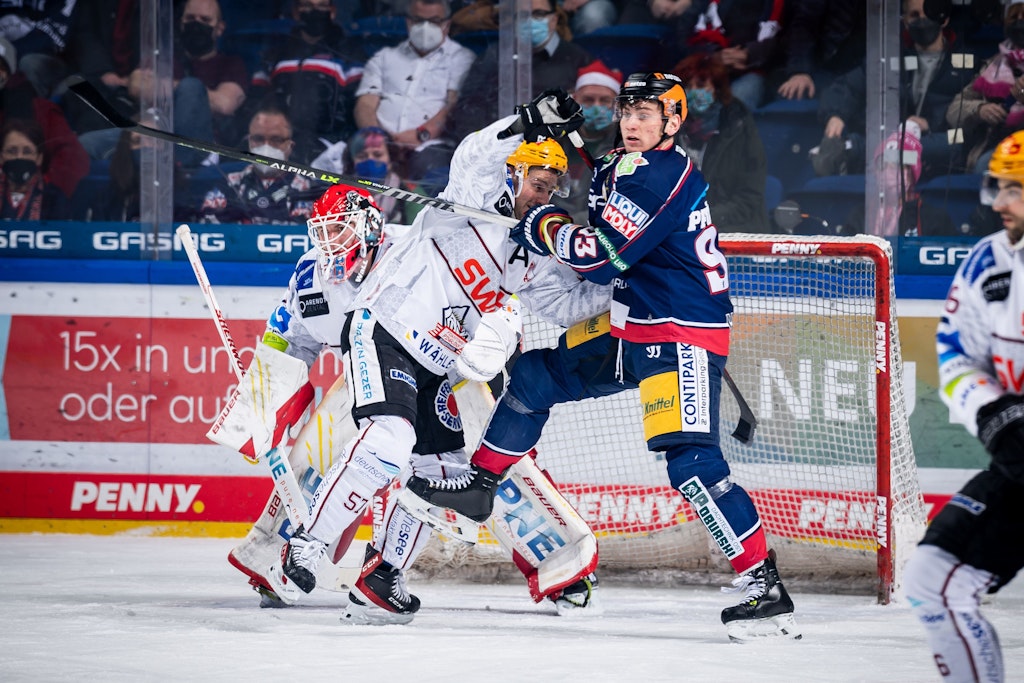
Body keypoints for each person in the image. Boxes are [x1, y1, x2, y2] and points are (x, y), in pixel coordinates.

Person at [407, 73, 800, 642]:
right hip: (633, 324)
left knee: (690, 464)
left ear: (673, 121)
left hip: (678, 338)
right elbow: (607, 192)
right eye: (627, 112)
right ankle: (481, 485)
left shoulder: (664, 174)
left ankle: (765, 588)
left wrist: (539, 223)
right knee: (538, 374)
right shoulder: (624, 161)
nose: (633, 123)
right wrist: (568, 142)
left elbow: (602, 255)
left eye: (647, 114)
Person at [264, 107, 611, 624]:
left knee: (444, 474)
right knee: (388, 440)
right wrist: (528, 121)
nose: (544, 198)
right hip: (386, 330)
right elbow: (475, 152)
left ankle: (382, 577)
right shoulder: (471, 199)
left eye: (551, 190)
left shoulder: (535, 250)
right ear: (513, 174)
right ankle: (307, 543)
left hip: (438, 364)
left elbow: (566, 305)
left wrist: (630, 279)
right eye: (537, 184)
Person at [903, 130, 1024, 683]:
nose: (1000, 202)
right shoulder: (988, 261)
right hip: (1017, 463)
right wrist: (997, 418)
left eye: (1015, 189)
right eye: (998, 186)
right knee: (931, 576)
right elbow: (955, 351)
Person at [811, 0, 972, 180]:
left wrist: (930, 123)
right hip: (893, 137)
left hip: (942, 137)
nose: (922, 20)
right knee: (884, 140)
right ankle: (873, 154)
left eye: (929, 14)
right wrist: (835, 115)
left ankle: (857, 150)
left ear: (944, 18)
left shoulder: (968, 62)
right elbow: (847, 85)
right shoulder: (889, 59)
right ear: (904, 21)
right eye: (914, 15)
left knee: (955, 142)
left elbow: (970, 110)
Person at [353, 0, 475, 171]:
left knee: (423, 166)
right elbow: (366, 102)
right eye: (418, 20)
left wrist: (421, 135)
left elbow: (452, 105)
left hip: (429, 145)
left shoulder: (461, 58)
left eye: (434, 21)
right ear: (408, 22)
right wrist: (376, 138)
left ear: (447, 24)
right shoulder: (384, 57)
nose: (425, 27)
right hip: (380, 144)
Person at [445, 0, 591, 141]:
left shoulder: (578, 59)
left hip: (552, 151)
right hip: (499, 147)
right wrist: (486, 143)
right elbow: (469, 106)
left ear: (554, 19)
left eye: (539, 13)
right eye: (523, 15)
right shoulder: (495, 55)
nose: (531, 20)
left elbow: (586, 115)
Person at [248, 0, 365, 163]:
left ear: (332, 10)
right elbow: (256, 102)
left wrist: (337, 145)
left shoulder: (350, 53)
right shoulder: (275, 54)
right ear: (296, 11)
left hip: (331, 148)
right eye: (307, 6)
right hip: (280, 142)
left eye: (321, 6)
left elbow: (357, 107)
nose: (315, 11)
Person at [673, 52, 768, 231]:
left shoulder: (739, 126)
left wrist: (702, 219)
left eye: (701, 85)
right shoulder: (671, 130)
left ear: (716, 88)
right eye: (687, 86)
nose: (694, 92)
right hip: (683, 232)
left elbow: (749, 197)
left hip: (734, 231)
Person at [0, 38, 89, 200]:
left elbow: (72, 159)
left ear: (9, 73)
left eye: (0, 68)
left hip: (40, 213)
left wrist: (43, 188)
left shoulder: (42, 111)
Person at [197, 105, 315, 224]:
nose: (266, 146)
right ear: (249, 143)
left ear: (290, 146)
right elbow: (206, 223)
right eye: (258, 139)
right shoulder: (230, 182)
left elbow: (303, 231)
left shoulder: (305, 187)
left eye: (276, 139)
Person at [946, 0, 1024, 174]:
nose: (1019, 22)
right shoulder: (991, 66)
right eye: (1013, 17)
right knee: (984, 165)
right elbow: (953, 110)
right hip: (993, 145)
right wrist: (979, 109)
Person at [839, 122, 957, 237]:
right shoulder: (860, 216)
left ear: (912, 172)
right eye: (883, 166)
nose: (889, 172)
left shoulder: (934, 219)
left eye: (897, 165)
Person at [560, 59, 622, 221]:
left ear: (617, 105)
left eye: (605, 101)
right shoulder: (554, 139)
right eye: (588, 100)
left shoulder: (627, 147)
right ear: (574, 101)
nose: (596, 107)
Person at [0, 118, 70, 220]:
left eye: (27, 152)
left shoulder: (54, 198)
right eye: (12, 151)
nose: (19, 157)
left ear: (39, 158)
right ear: (1, 157)